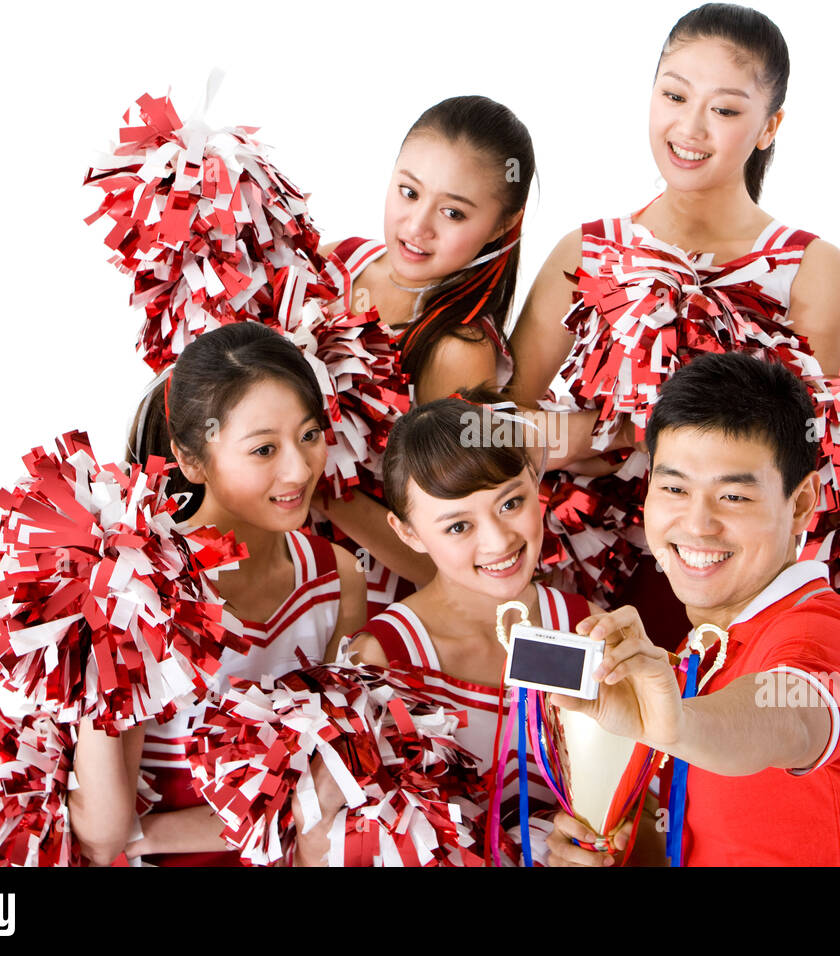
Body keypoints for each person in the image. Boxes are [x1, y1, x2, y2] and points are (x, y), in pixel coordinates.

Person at [505, 3, 840, 643]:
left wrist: (636, 440)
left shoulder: (811, 267)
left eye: (724, 109)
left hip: (727, 583)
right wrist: (578, 436)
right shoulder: (585, 250)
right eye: (674, 95)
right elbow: (496, 428)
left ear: (770, 125)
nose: (690, 127)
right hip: (577, 582)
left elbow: (806, 456)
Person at [546, 351, 840, 866]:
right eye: (674, 488)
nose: (697, 524)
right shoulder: (698, 652)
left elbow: (784, 716)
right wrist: (629, 855)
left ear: (799, 505)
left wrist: (676, 722)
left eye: (733, 497)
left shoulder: (831, 640)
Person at [68, 322, 366, 866]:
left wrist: (160, 831)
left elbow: (330, 791)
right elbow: (103, 834)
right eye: (263, 449)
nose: (298, 469)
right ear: (191, 459)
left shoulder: (337, 578)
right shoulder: (140, 593)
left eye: (310, 434)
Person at [322, 396, 606, 866]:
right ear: (408, 532)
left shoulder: (583, 626)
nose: (498, 540)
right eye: (458, 526)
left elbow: (644, 802)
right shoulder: (383, 662)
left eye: (511, 502)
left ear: (536, 484)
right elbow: (339, 846)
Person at [313, 95, 537, 616]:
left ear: (504, 225)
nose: (417, 226)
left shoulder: (459, 350)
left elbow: (441, 559)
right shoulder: (331, 261)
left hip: (367, 594)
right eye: (408, 191)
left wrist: (315, 488)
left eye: (453, 211)